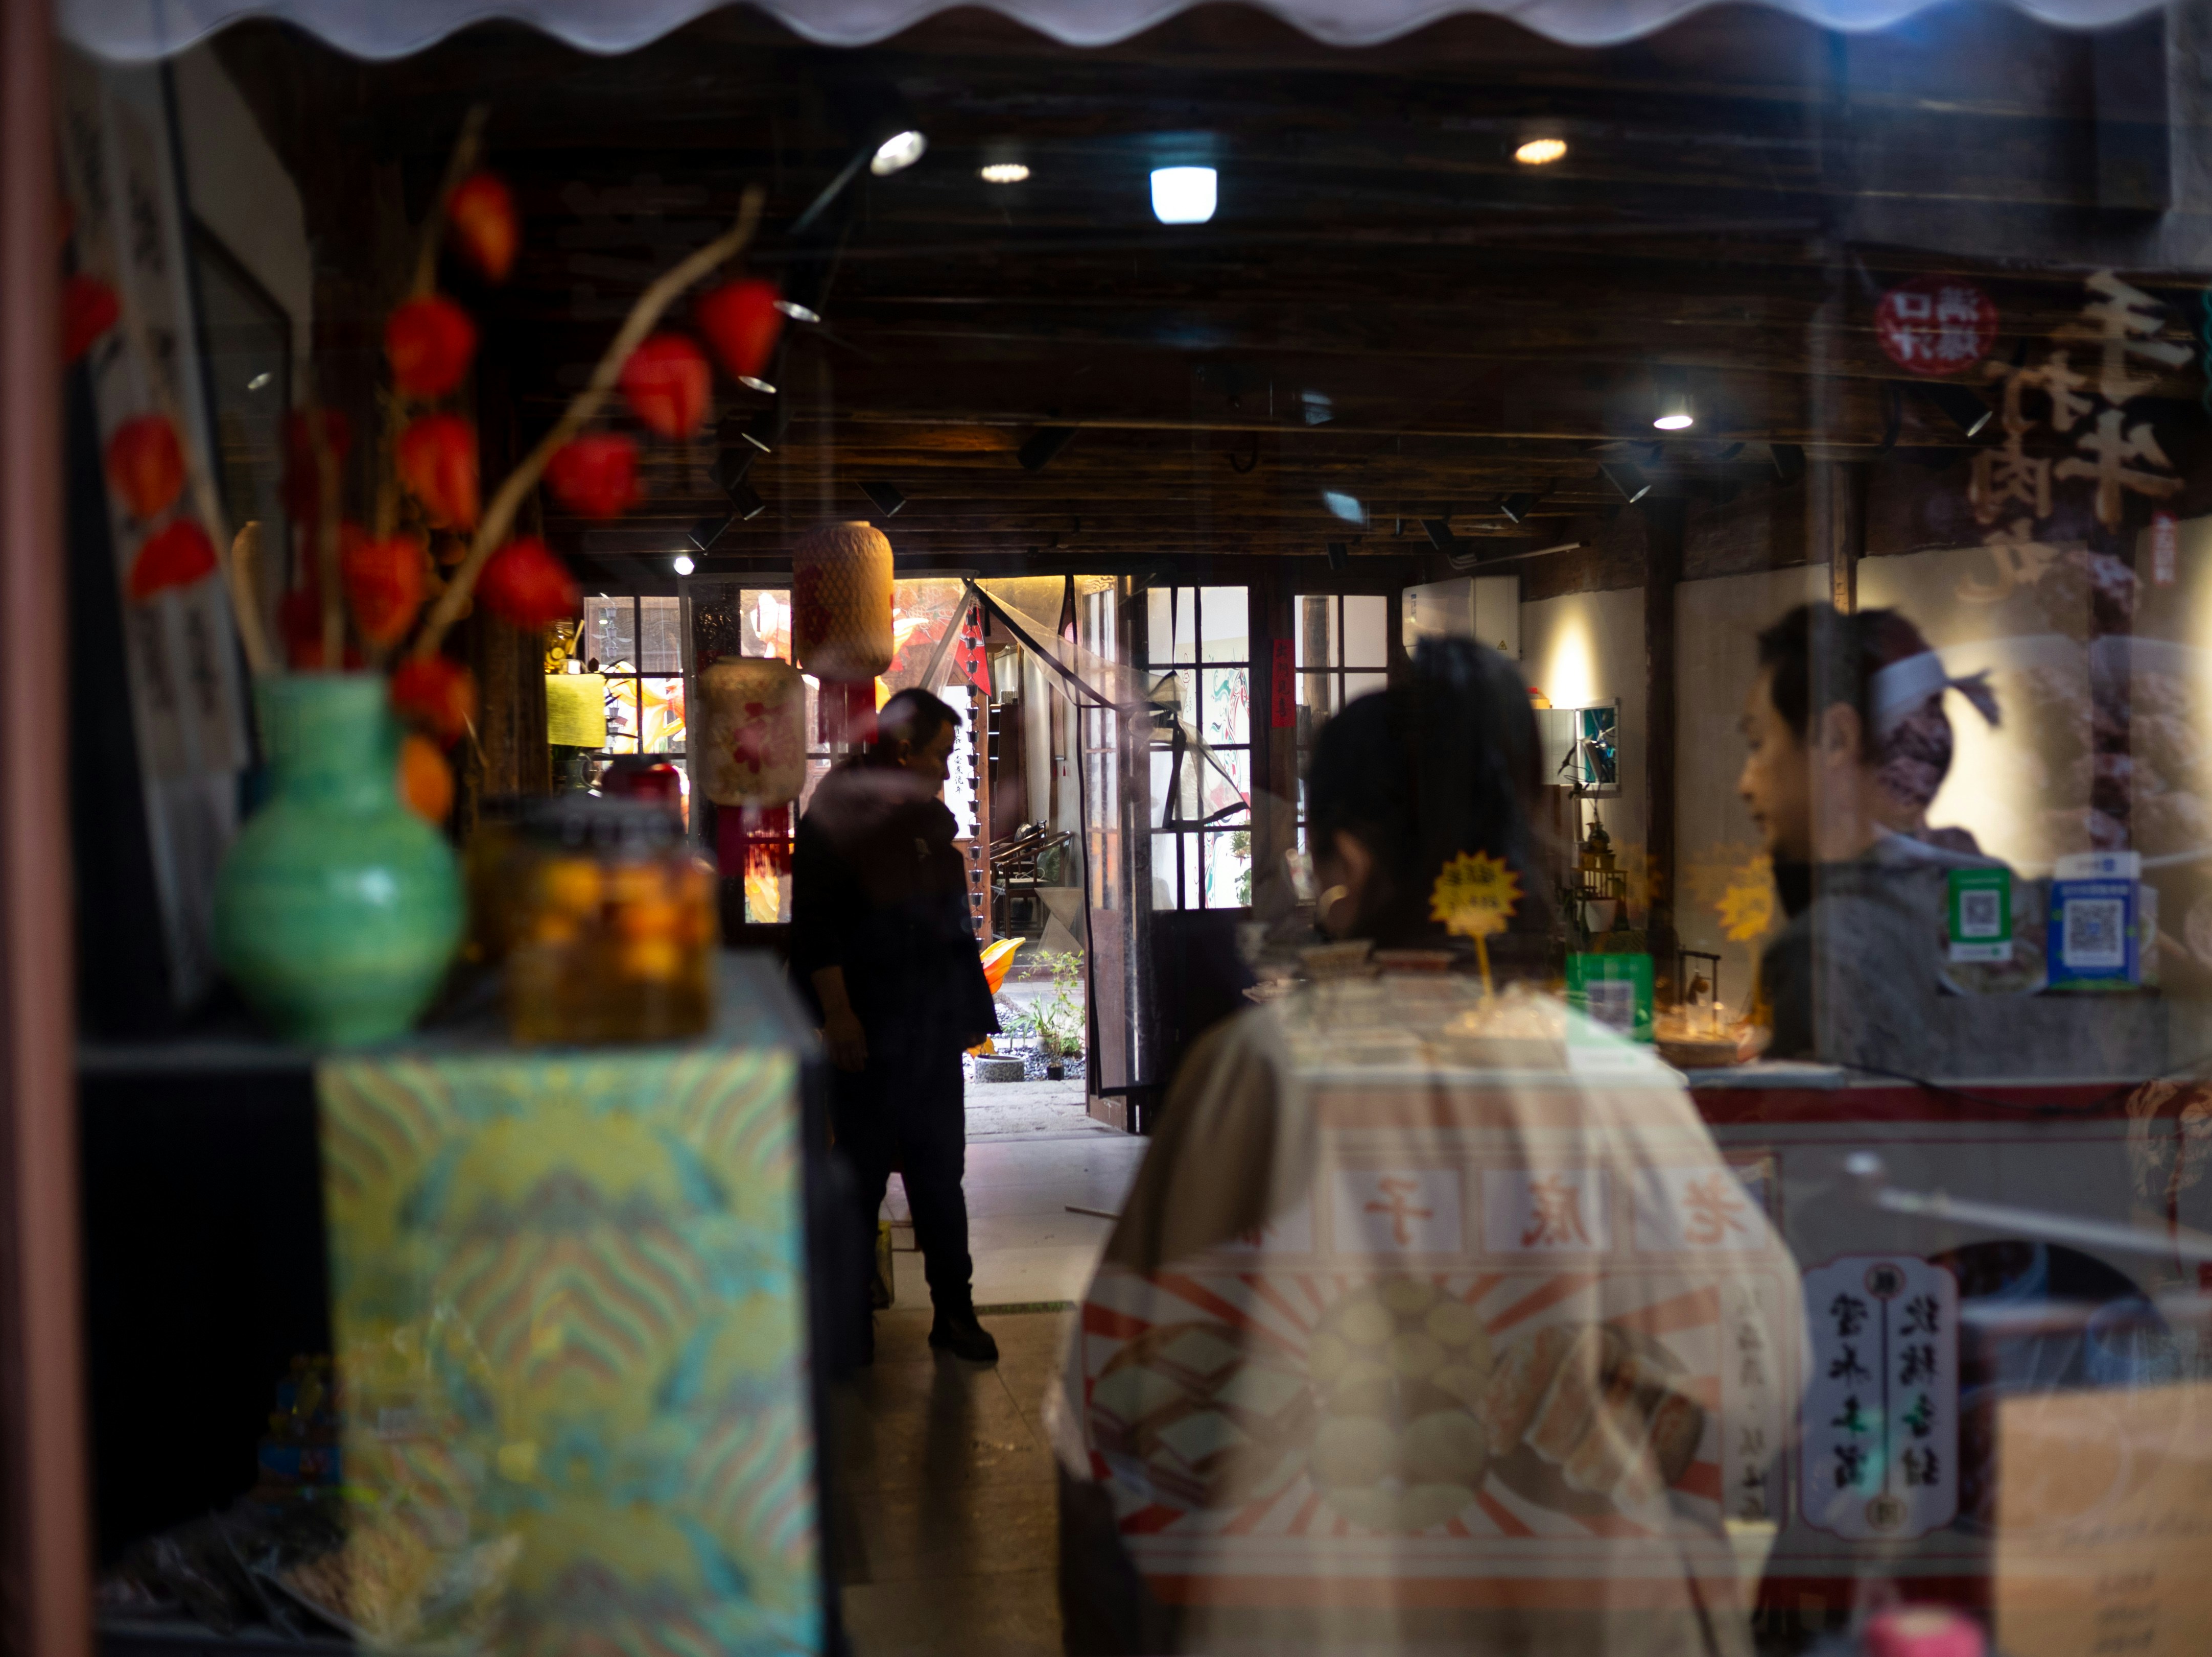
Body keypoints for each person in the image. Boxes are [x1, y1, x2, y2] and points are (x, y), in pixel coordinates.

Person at [1050, 638, 1801, 1655]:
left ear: (1349, 863)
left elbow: (1114, 1409)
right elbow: (1755, 1374)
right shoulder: (1626, 1089)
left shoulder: (1259, 1075)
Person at [791, 687, 1001, 1364]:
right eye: (941, 754)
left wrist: (965, 1011)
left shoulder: (922, 815)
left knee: (941, 1176)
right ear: (905, 749)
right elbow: (815, 925)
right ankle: (850, 1324)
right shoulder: (839, 811)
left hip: (930, 1030)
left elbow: (948, 925)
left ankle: (955, 1313)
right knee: (859, 1181)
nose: (946, 769)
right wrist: (840, 1014)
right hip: (871, 1032)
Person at [1735, 604, 1999, 1072]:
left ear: (1837, 739)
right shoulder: (1999, 899)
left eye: (1758, 744)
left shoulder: (1824, 952)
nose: (1746, 783)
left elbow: (1831, 1136)